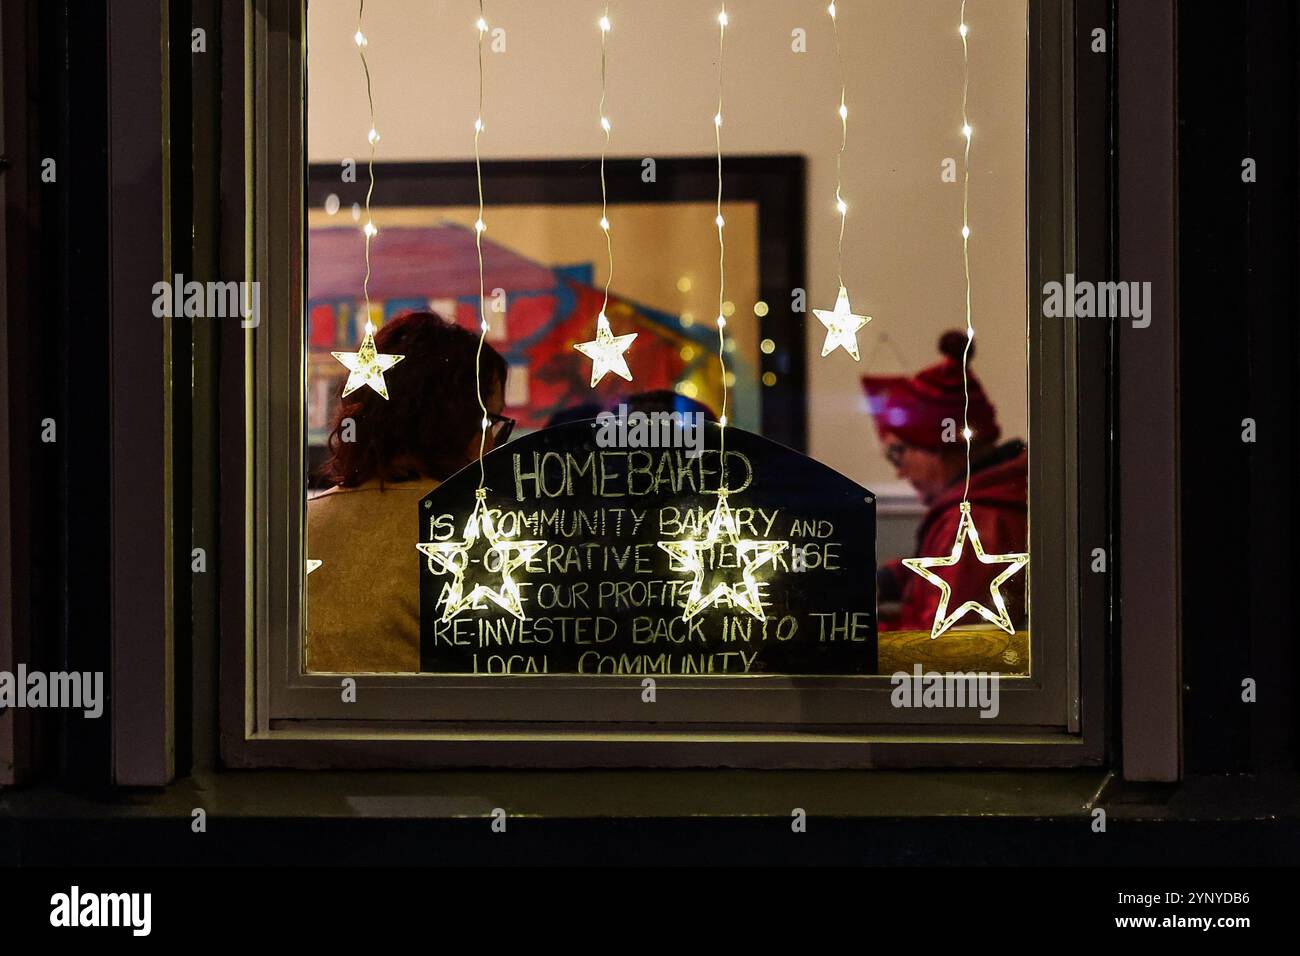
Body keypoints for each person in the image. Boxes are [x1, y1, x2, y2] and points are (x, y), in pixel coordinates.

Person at [306, 311, 511, 672]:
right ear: (452, 423)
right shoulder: (486, 537)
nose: (492, 443)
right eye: (489, 422)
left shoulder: (295, 529)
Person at [863, 331, 1027, 632]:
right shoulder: (990, 499)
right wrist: (896, 577)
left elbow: (940, 647)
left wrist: (857, 636)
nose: (899, 472)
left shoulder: (972, 522)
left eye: (898, 453)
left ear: (939, 448)